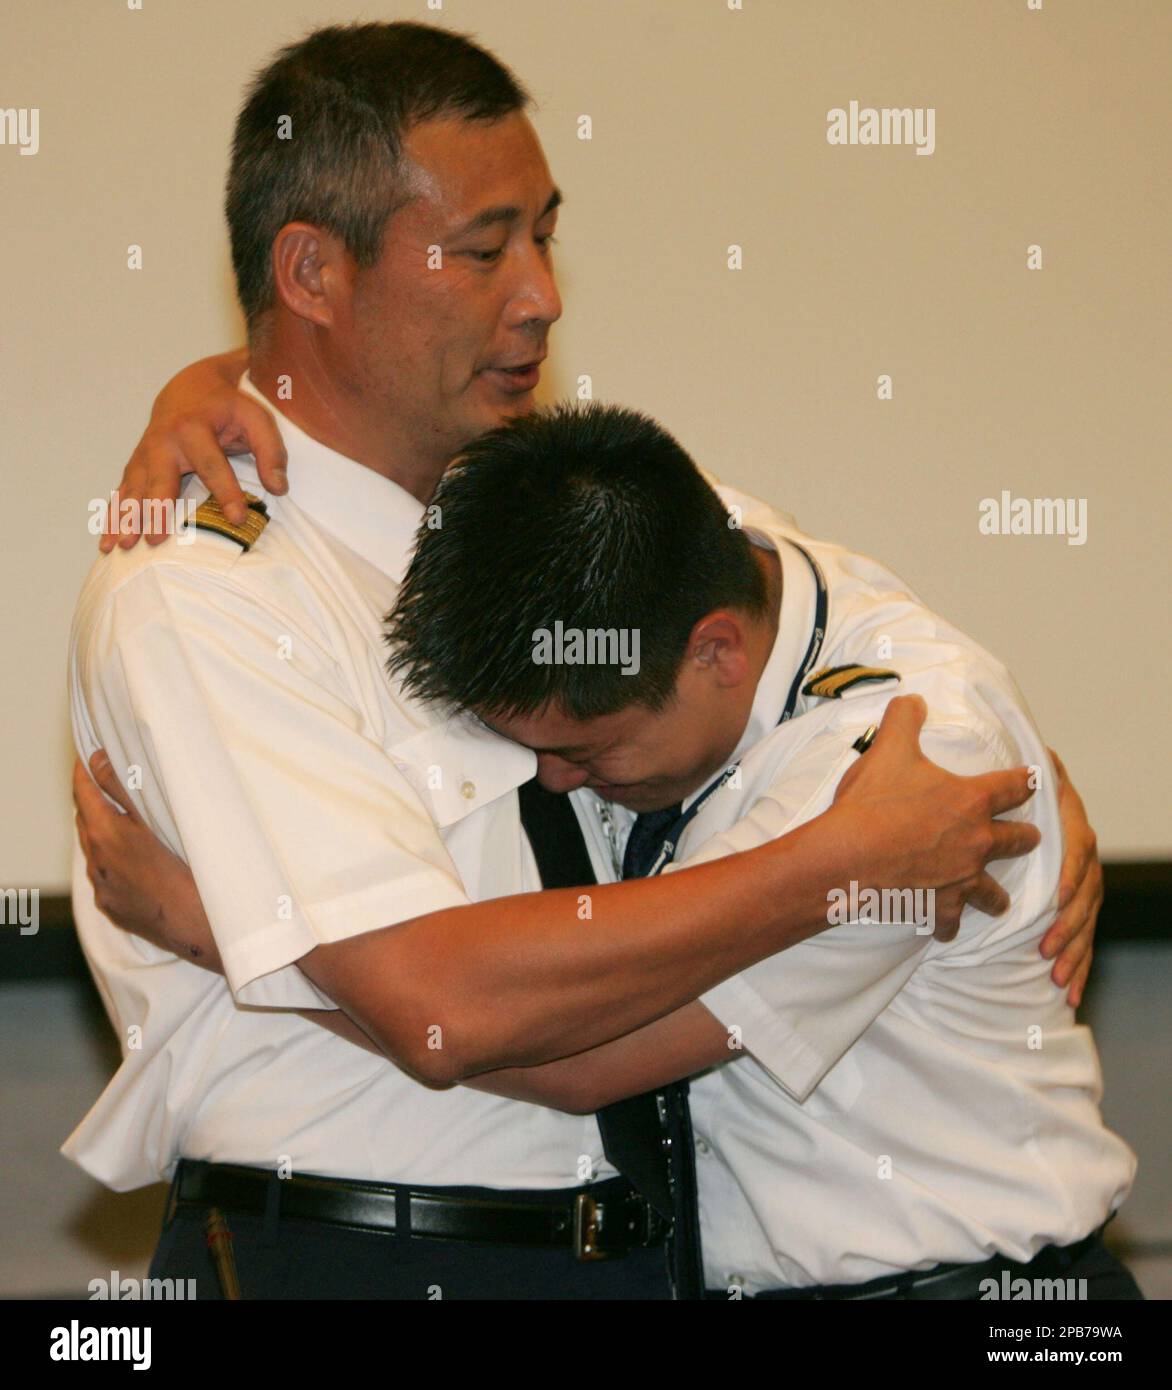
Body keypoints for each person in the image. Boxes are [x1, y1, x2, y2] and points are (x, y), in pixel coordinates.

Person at [69, 21, 1099, 1300]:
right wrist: (835, 866)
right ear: (312, 274)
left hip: (639, 1259)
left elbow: (828, 631)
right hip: (354, 1257)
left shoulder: (560, 503)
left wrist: (1000, 749)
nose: (542, 293)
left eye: (546, 233)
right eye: (486, 249)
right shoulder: (206, 587)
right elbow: (439, 1001)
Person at [78, 401, 1136, 1299]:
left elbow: (578, 1057)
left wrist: (234, 932)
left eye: (590, 750)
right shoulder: (694, 554)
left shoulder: (895, 795)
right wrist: (216, 385)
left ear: (715, 648)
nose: (556, 786)